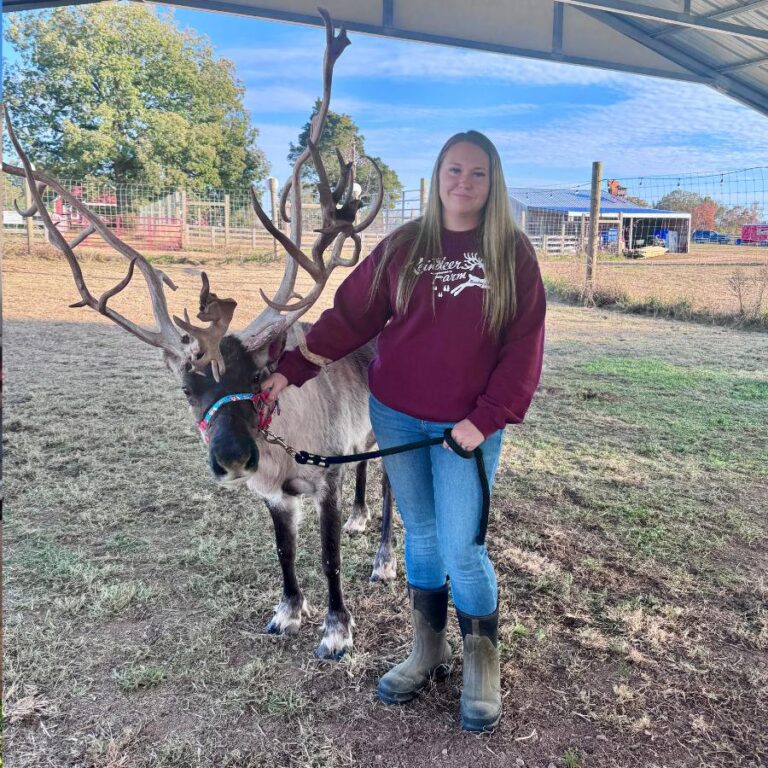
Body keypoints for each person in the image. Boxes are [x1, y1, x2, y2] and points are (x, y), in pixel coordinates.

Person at [261, 130, 546, 732]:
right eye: (452, 170)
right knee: (419, 533)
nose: (462, 182)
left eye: (476, 173)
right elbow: (353, 316)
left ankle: (480, 663)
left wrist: (484, 419)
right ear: (436, 175)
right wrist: (291, 369)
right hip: (396, 413)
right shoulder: (405, 245)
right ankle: (428, 649)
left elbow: (524, 348)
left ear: (493, 183)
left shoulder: (511, 253)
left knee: (462, 546)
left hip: (467, 426)